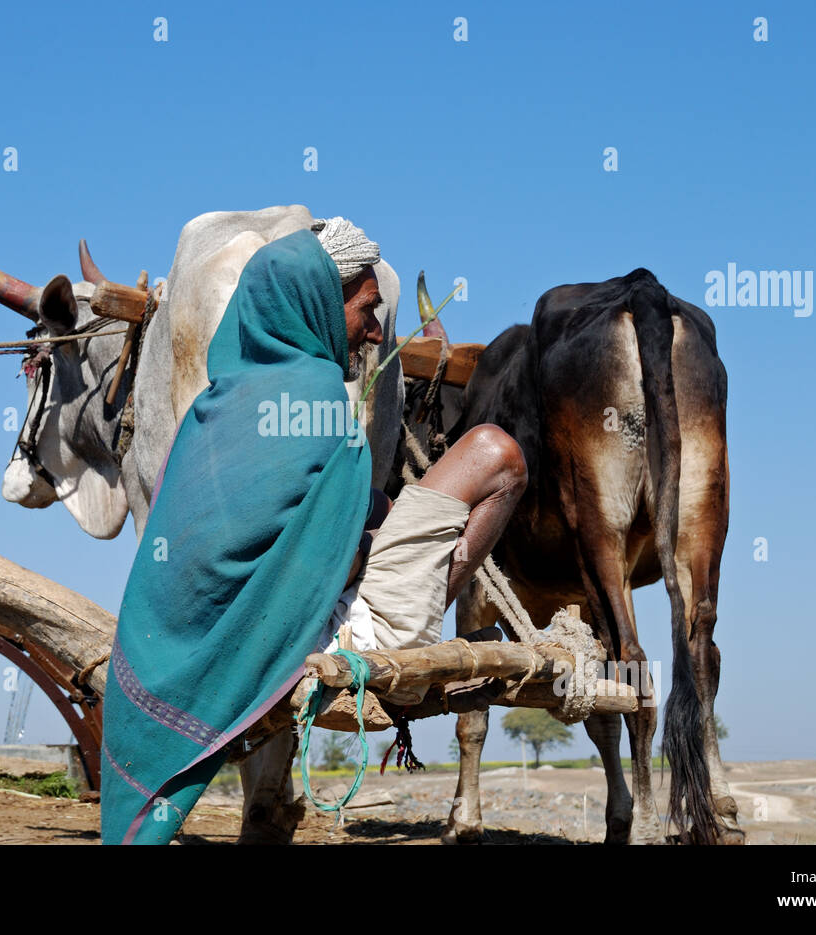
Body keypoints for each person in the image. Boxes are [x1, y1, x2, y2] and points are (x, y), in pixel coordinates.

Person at [99, 217, 525, 844]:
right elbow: (331, 556)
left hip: (205, 641)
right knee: (496, 453)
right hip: (338, 632)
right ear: (320, 303)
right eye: (367, 310)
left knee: (390, 504)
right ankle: (418, 641)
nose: (377, 332)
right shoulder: (320, 398)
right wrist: (368, 547)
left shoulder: (218, 405)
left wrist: (366, 523)